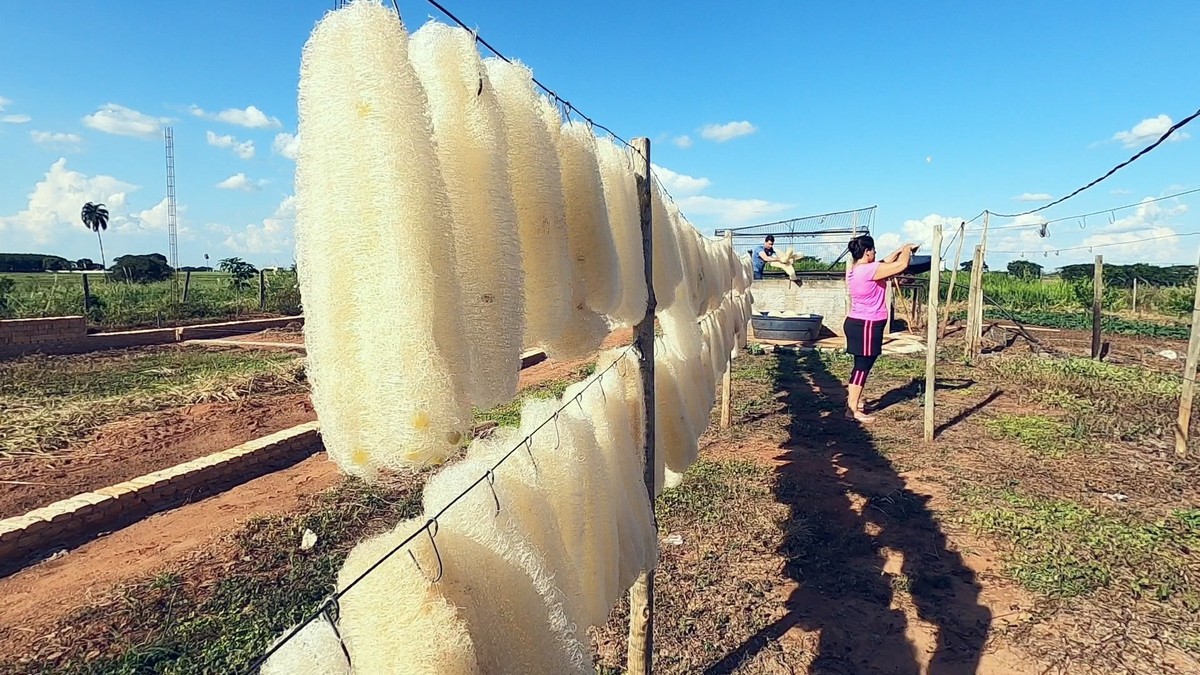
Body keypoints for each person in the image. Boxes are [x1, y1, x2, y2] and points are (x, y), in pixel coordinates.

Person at [843, 235, 917, 422]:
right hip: (866, 324)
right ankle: (852, 409)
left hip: (858, 322)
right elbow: (900, 266)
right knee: (863, 366)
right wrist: (907, 249)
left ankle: (854, 402)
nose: (876, 254)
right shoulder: (869, 271)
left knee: (861, 365)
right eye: (874, 250)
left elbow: (884, 262)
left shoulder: (856, 269)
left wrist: (900, 250)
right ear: (867, 252)